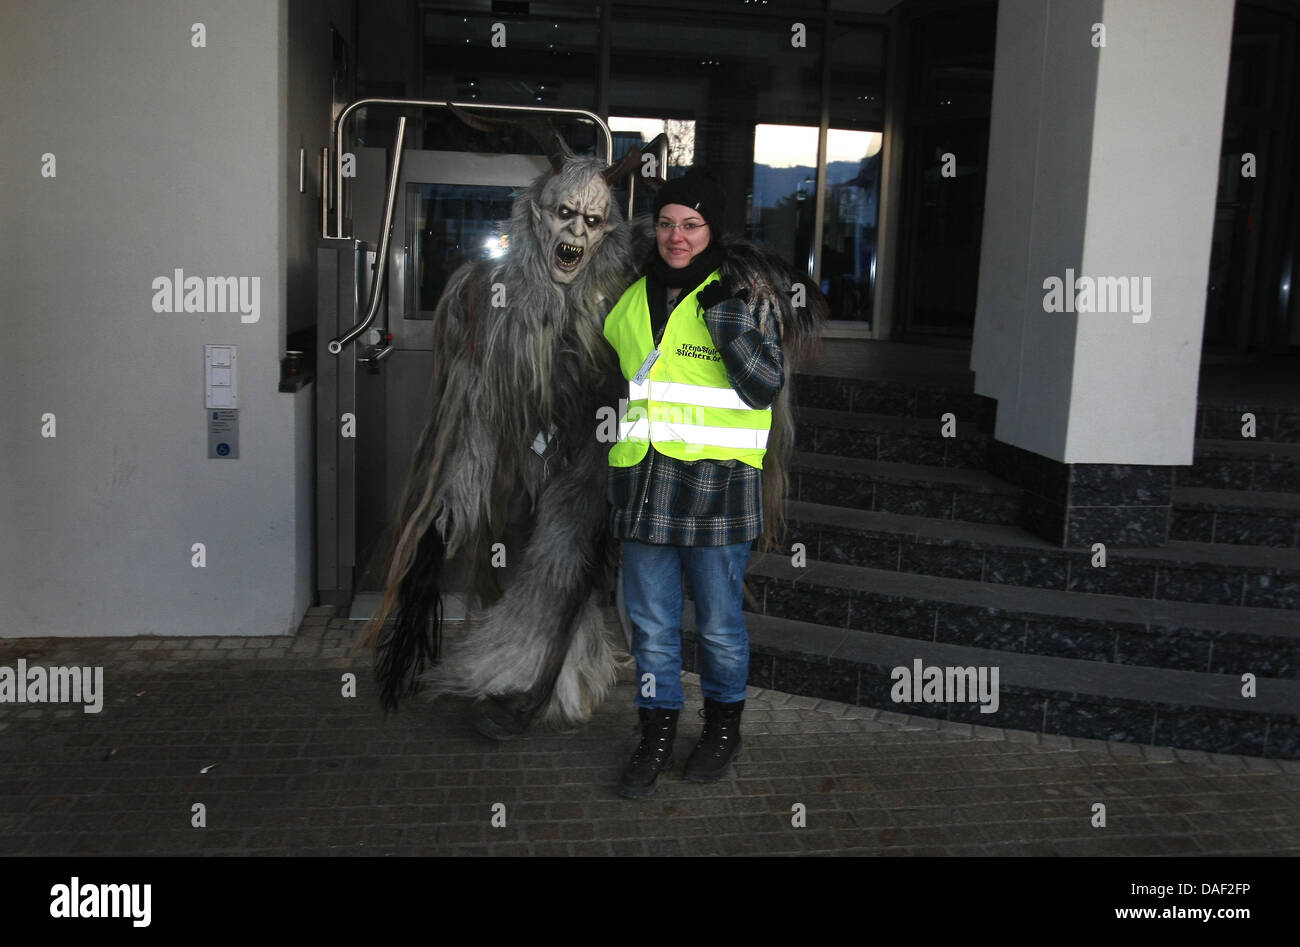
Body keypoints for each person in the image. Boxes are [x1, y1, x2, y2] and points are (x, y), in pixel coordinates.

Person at [602, 168, 787, 798]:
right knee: (651, 629)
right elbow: (618, 385)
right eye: (666, 223)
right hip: (643, 487)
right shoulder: (631, 296)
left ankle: (722, 731)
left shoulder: (743, 291)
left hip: (718, 492)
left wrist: (726, 320)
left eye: (691, 224)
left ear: (713, 230)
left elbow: (765, 386)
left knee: (717, 626)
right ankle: (654, 735)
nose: (676, 236)